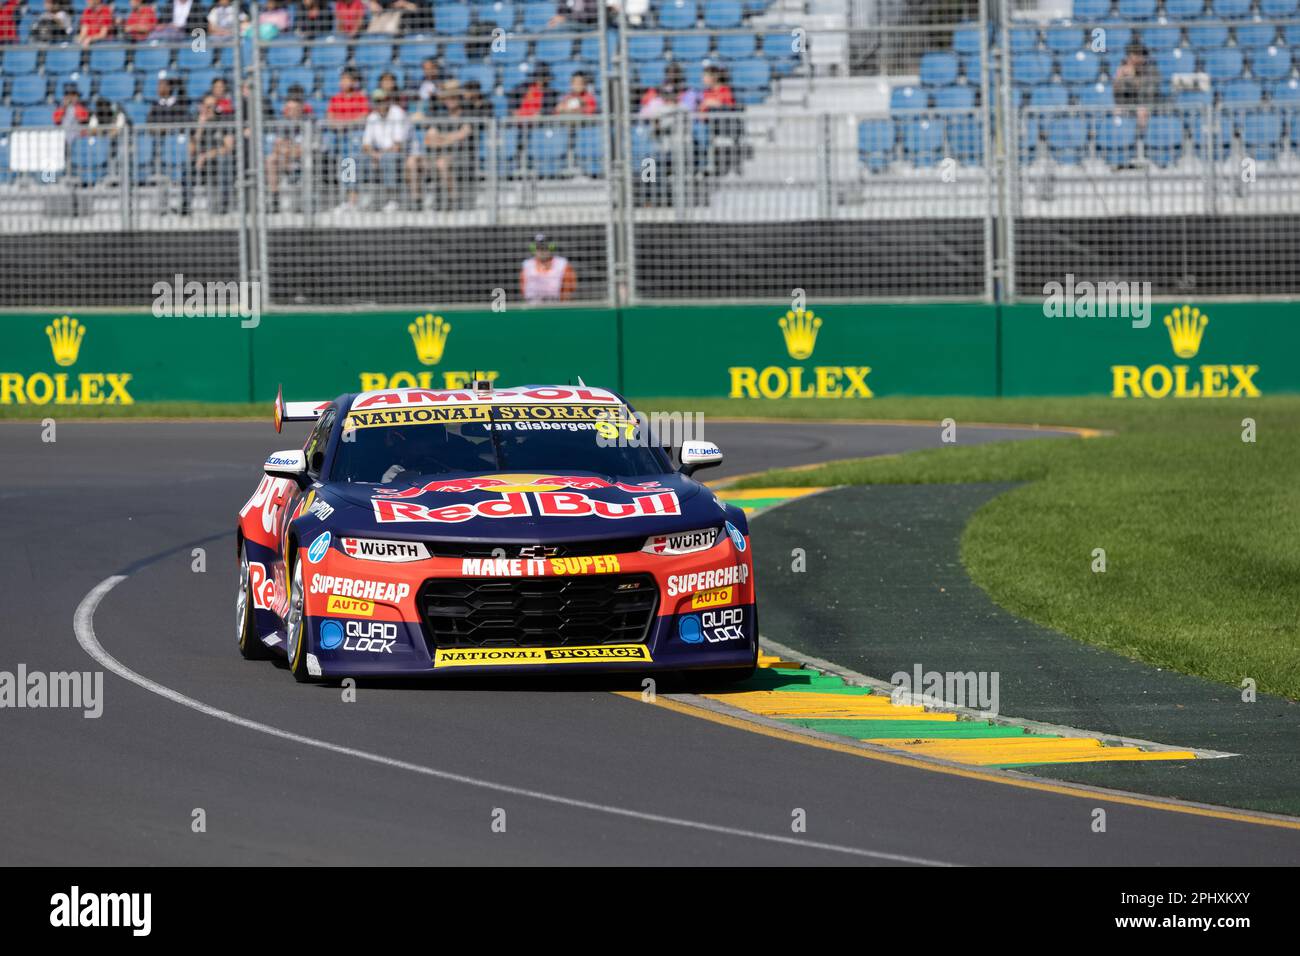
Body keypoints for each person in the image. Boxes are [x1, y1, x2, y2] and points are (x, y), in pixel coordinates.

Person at [406, 80, 479, 211]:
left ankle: (453, 200)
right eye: (447, 97)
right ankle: (416, 201)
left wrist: (442, 138)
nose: (450, 100)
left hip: (461, 157)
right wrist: (450, 137)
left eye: (454, 97)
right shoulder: (440, 114)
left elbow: (463, 135)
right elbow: (429, 140)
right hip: (436, 155)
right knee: (412, 161)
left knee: (441, 163)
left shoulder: (467, 113)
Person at [361, 88, 410, 212]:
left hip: (398, 153)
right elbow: (366, 145)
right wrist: (375, 155)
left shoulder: (397, 113)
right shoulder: (372, 116)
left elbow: (398, 145)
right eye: (377, 101)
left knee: (389, 158)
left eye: (383, 100)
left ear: (388, 100)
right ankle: (350, 200)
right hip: (378, 153)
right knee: (349, 160)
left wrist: (379, 155)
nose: (380, 104)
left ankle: (392, 199)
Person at [188, 92, 236, 215]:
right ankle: (186, 208)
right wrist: (200, 127)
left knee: (223, 161)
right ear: (201, 107)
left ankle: (221, 207)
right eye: (207, 106)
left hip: (216, 160)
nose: (210, 109)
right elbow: (191, 150)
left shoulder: (222, 122)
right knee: (187, 167)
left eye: (213, 106)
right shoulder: (195, 123)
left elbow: (228, 147)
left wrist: (206, 155)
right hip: (201, 163)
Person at [266, 91, 307, 212]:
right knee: (271, 159)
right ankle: (274, 199)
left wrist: (287, 148)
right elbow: (276, 147)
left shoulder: (308, 123)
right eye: (288, 108)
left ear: (300, 109)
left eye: (293, 108)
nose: (290, 111)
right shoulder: (281, 124)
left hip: (303, 162)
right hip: (284, 160)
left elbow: (303, 150)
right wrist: (289, 149)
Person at [519, 232, 576, 303]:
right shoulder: (527, 265)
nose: (542, 251)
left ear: (551, 247)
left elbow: (569, 289)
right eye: (538, 248)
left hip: (555, 306)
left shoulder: (562, 264)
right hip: (533, 307)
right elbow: (523, 288)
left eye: (545, 247)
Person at [1113, 43, 1159, 130]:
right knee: (1117, 110)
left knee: (1142, 111)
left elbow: (1150, 93)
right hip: (1128, 103)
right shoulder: (1123, 67)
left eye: (1138, 55)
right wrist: (1118, 78)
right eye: (1132, 55)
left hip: (1146, 103)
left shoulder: (1151, 70)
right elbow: (1116, 93)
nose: (1134, 59)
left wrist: (1132, 77)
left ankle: (1140, 141)